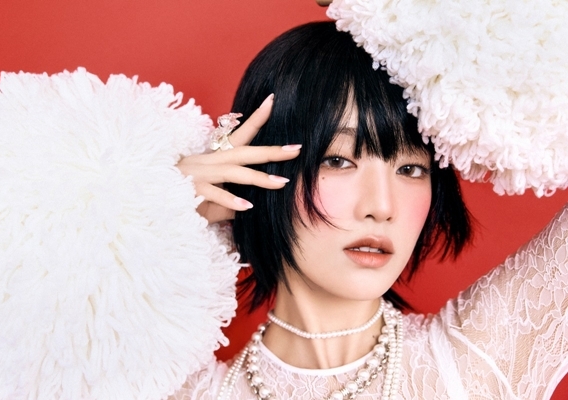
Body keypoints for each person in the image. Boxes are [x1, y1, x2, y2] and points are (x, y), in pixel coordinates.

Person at [173, 21, 568, 399]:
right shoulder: (179, 389)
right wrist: (161, 202)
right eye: (338, 161)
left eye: (410, 169)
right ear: (256, 167)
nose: (381, 207)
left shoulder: (476, 362)